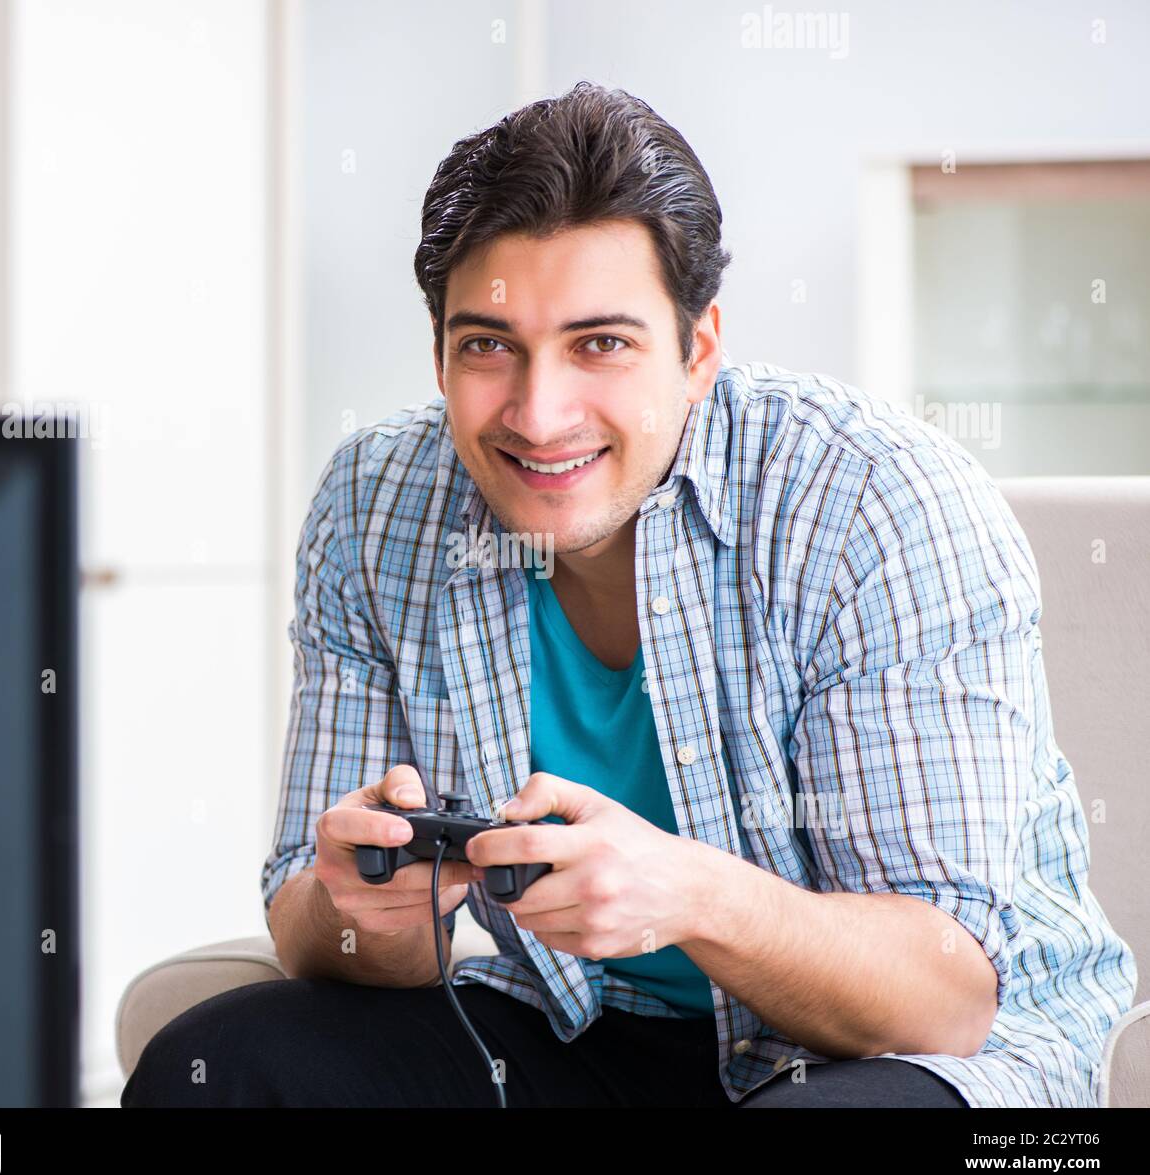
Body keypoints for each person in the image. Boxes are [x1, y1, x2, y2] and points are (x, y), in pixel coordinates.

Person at [123, 81, 1136, 1109]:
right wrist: (370, 917)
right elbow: (312, 924)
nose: (538, 412)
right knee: (212, 1072)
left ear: (695, 353)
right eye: (487, 346)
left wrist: (689, 895)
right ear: (438, 355)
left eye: (598, 344)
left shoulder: (874, 502)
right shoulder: (375, 504)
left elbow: (942, 998)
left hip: (900, 1057)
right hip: (575, 1027)